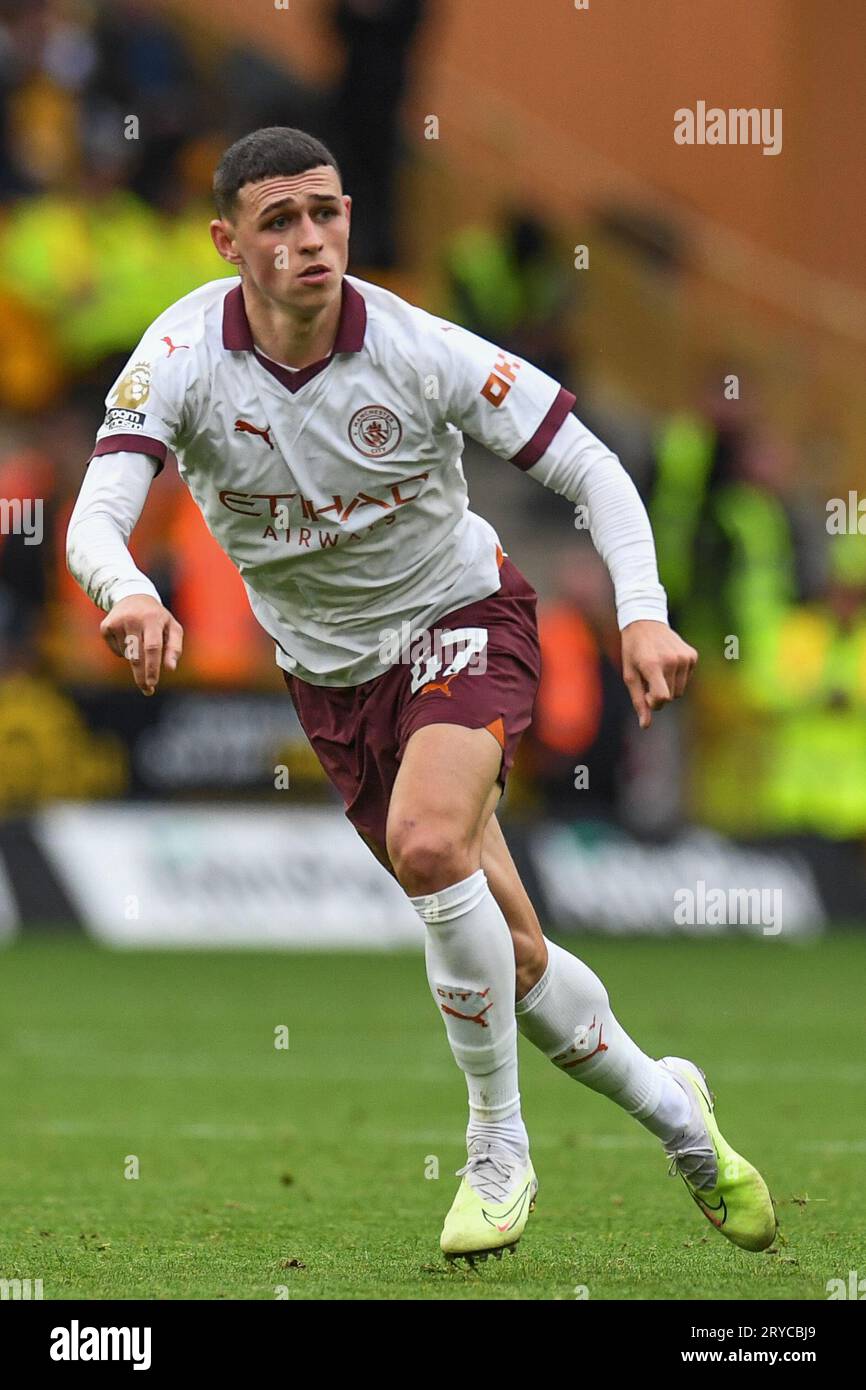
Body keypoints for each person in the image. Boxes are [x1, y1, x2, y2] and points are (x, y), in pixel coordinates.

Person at [65, 126, 775, 1263]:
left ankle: (496, 1148)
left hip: (459, 620)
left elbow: (588, 463)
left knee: (430, 846)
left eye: (327, 213)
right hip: (333, 680)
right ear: (225, 241)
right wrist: (124, 589)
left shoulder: (415, 347)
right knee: (518, 958)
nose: (311, 240)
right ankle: (681, 1119)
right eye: (280, 221)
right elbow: (97, 515)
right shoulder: (180, 356)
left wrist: (640, 608)